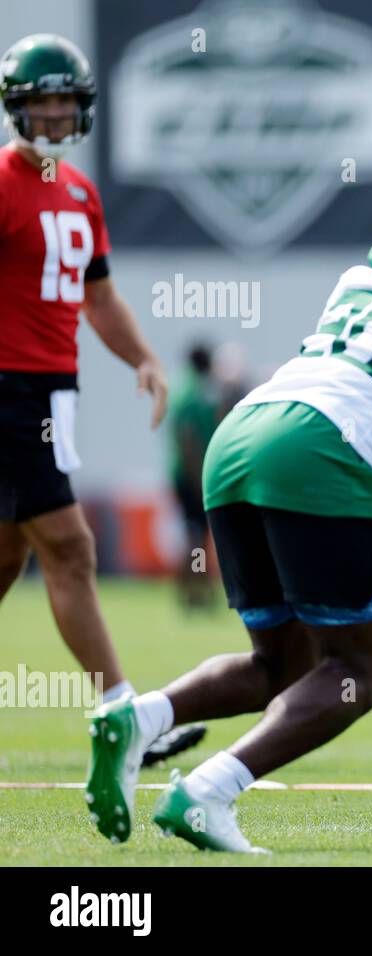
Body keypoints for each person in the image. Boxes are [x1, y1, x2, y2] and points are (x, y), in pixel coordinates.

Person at [84, 146, 372, 853]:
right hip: (321, 453)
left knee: (285, 665)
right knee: (361, 671)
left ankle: (141, 718)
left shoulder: (366, 275)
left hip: (241, 439)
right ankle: (207, 792)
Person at [0, 33, 204, 767]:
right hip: (10, 389)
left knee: (6, 562)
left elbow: (100, 297)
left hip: (54, 391)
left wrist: (144, 359)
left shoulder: (81, 192)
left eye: (63, 101)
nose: (53, 115)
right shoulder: (2, 182)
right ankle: (126, 714)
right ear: (17, 108)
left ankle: (124, 714)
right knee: (72, 546)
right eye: (40, 101)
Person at [169, 344, 220, 610]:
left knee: (195, 536)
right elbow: (188, 440)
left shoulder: (186, 389)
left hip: (186, 476)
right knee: (196, 537)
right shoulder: (193, 394)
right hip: (192, 478)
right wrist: (199, 479)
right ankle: (193, 592)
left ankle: (194, 591)